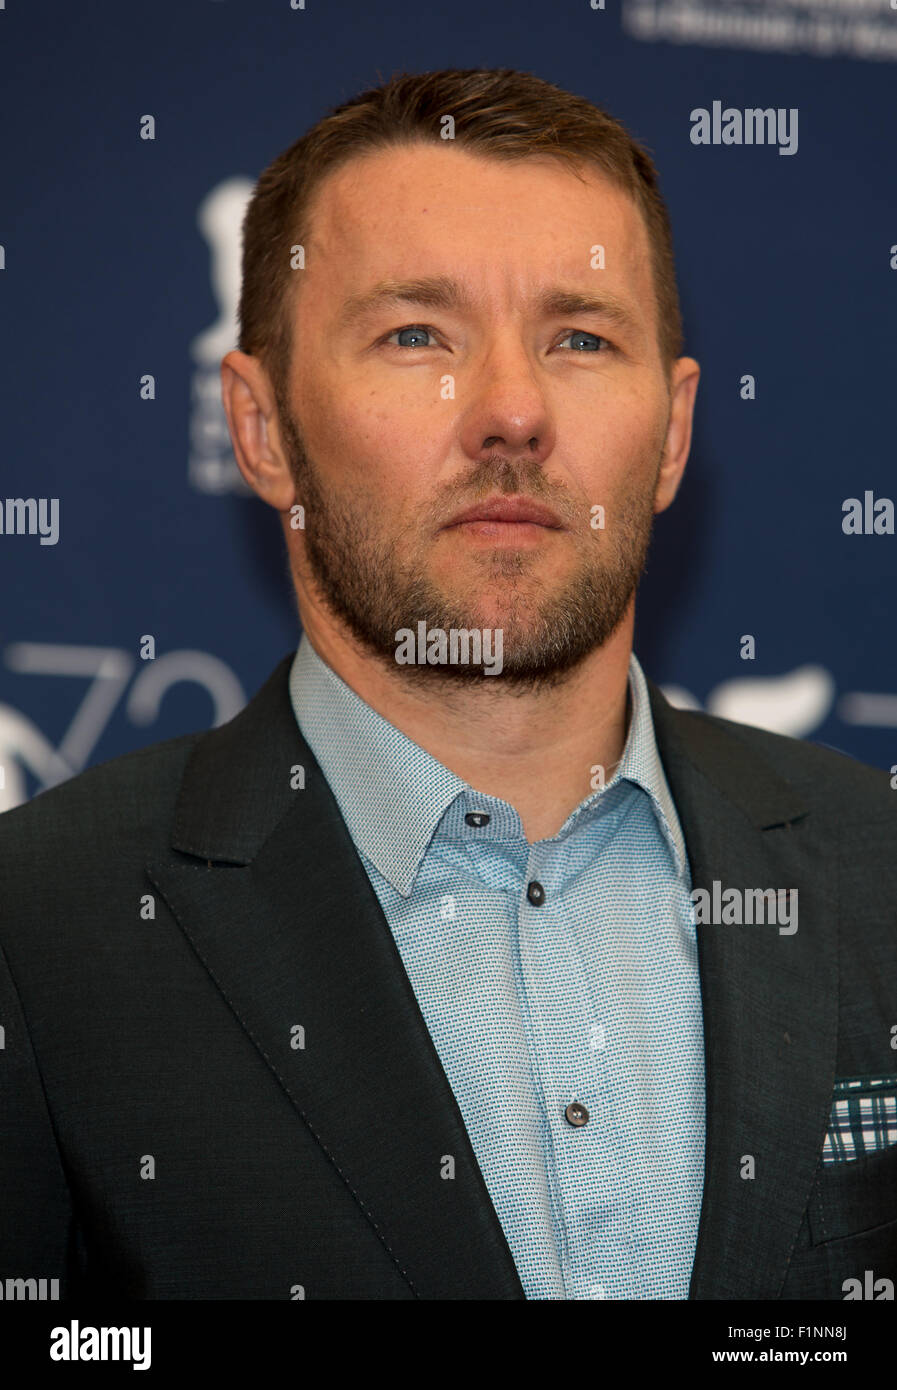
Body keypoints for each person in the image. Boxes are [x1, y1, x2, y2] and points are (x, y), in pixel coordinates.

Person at [1, 67, 894, 1302]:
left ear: (676, 431)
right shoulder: (39, 931)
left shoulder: (877, 871)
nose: (513, 412)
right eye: (417, 334)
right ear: (262, 429)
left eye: (581, 337)